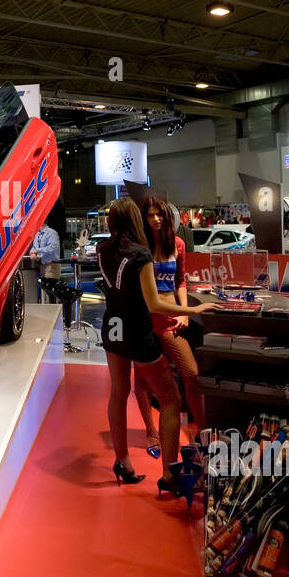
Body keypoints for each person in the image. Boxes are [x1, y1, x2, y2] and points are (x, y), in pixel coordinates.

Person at [97, 197, 216, 495]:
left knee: (117, 393)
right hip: (139, 331)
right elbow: (154, 302)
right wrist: (194, 311)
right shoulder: (140, 254)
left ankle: (123, 461)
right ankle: (169, 474)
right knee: (171, 399)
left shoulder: (103, 249)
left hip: (113, 328)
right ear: (137, 220)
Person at [133, 196, 213, 455]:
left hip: (170, 319)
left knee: (190, 373)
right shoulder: (140, 246)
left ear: (167, 216)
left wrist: (185, 314)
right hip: (144, 321)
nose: (155, 219)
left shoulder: (177, 244)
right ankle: (151, 433)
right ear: (144, 219)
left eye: (159, 214)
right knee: (142, 382)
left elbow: (180, 280)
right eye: (150, 215)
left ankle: (201, 433)